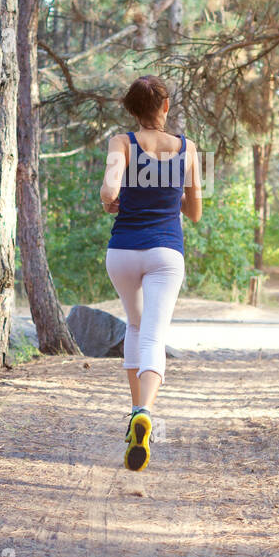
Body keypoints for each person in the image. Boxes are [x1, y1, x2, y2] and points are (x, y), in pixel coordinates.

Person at [99, 75, 202, 471]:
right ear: (165, 107)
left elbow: (109, 192)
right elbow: (193, 212)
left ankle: (133, 414)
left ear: (131, 109)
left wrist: (116, 204)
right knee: (155, 334)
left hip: (122, 251)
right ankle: (143, 411)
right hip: (165, 253)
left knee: (136, 327)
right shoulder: (188, 149)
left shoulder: (121, 143)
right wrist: (168, 197)